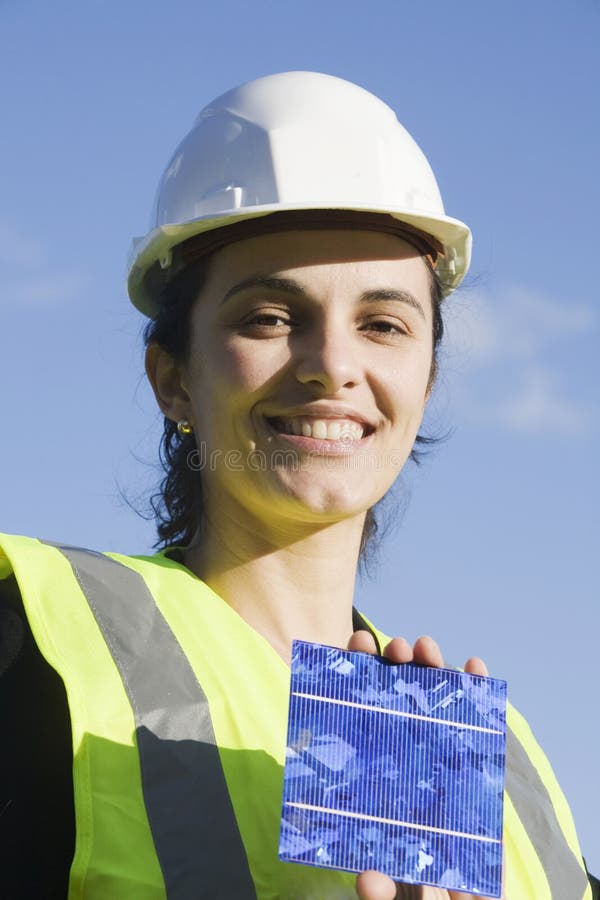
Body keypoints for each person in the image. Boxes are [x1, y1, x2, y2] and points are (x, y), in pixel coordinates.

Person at [0, 71, 596, 900]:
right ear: (172, 379)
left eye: (383, 325)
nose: (333, 366)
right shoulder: (35, 644)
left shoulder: (506, 773)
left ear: (425, 382)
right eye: (270, 318)